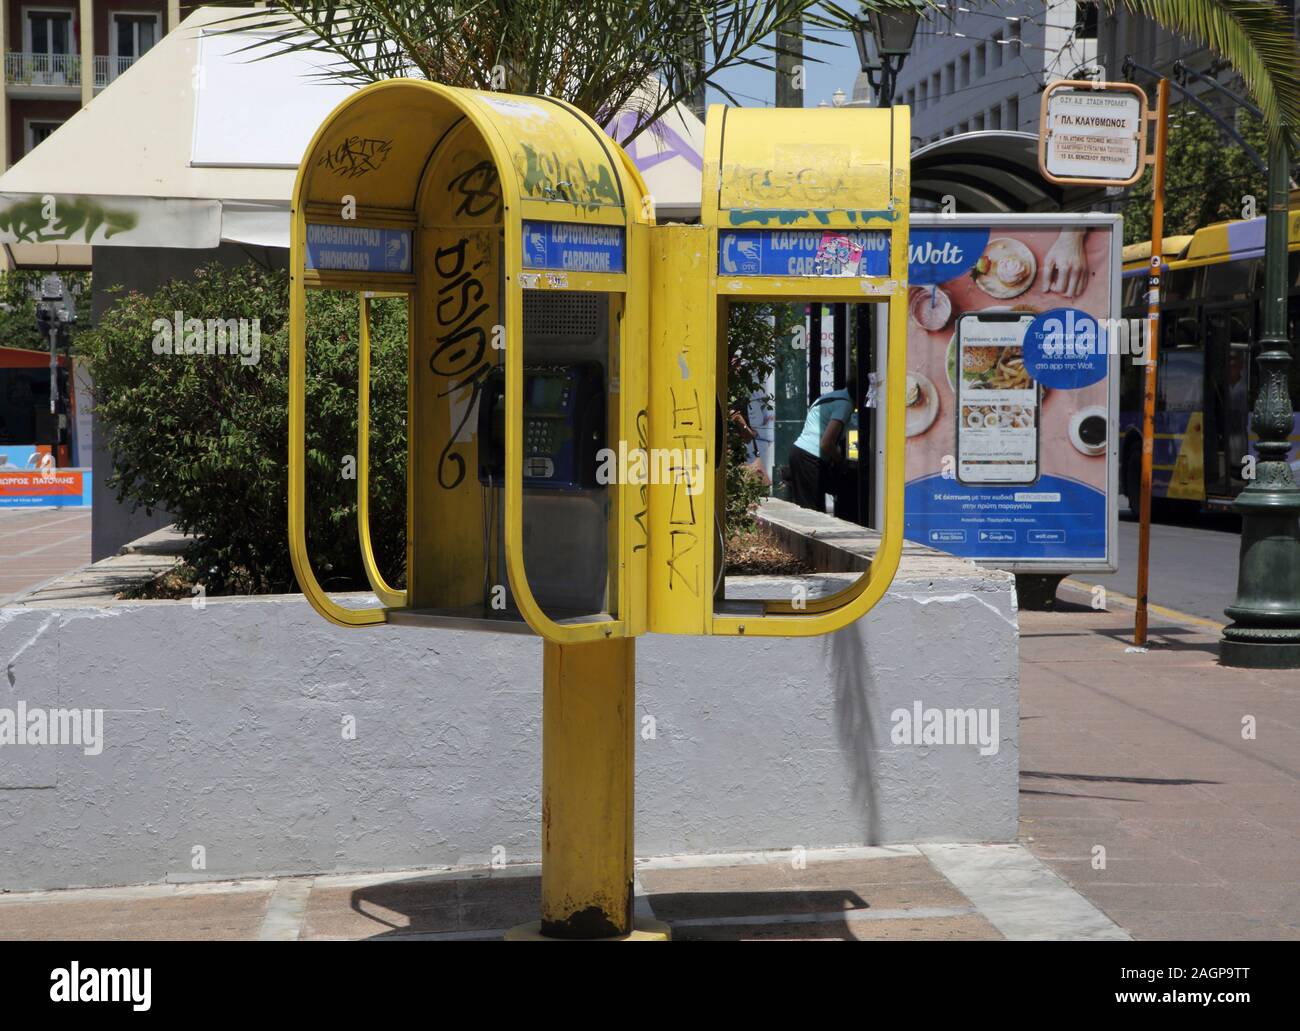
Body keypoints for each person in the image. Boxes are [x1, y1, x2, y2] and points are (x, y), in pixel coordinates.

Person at [788, 383, 856, 512]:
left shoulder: (834, 396)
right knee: (812, 510)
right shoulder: (845, 404)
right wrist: (840, 460)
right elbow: (826, 443)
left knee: (806, 506)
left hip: (799, 452)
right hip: (810, 457)